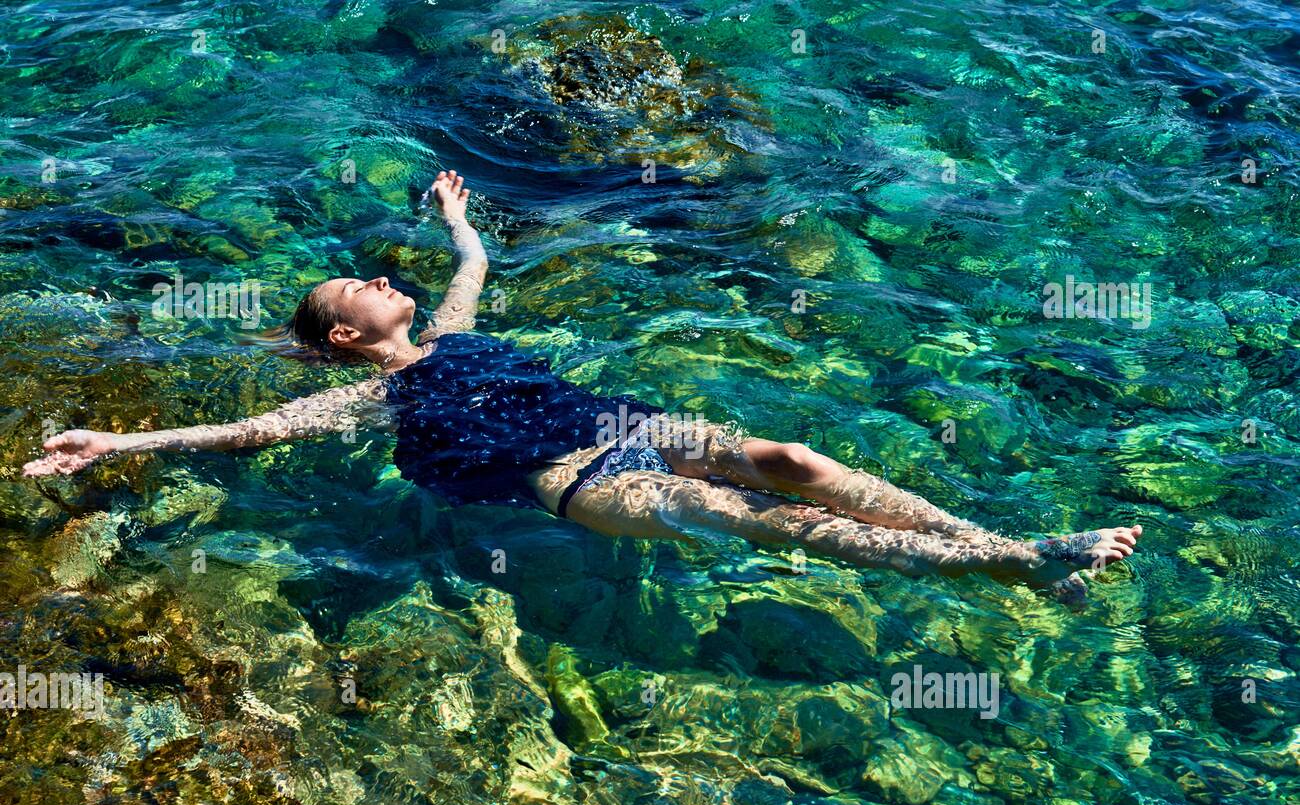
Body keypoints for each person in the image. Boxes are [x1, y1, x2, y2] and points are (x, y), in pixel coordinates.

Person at [25, 171, 1141, 594]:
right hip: (571, 478)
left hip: (622, 421)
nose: (374, 276)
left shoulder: (448, 333)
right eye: (353, 288)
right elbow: (247, 432)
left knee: (797, 464)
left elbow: (472, 269)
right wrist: (112, 446)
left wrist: (459, 222)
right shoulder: (368, 396)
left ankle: (983, 537)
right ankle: (1015, 561)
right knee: (753, 516)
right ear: (349, 340)